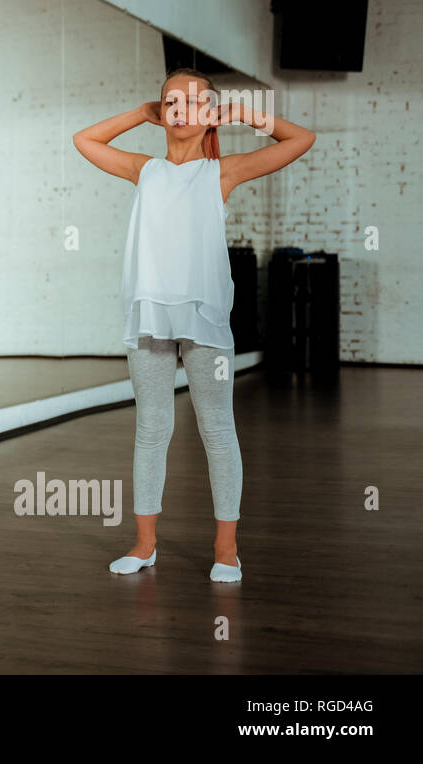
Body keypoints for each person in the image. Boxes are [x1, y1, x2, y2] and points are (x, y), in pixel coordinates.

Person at [73, 68, 316, 582]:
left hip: (205, 321)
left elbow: (302, 139)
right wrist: (142, 111)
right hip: (150, 317)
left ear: (208, 112)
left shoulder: (221, 173)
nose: (180, 107)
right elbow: (84, 140)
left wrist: (243, 113)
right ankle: (144, 544)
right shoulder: (145, 169)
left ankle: (226, 549)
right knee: (152, 429)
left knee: (218, 430)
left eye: (192, 100)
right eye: (171, 101)